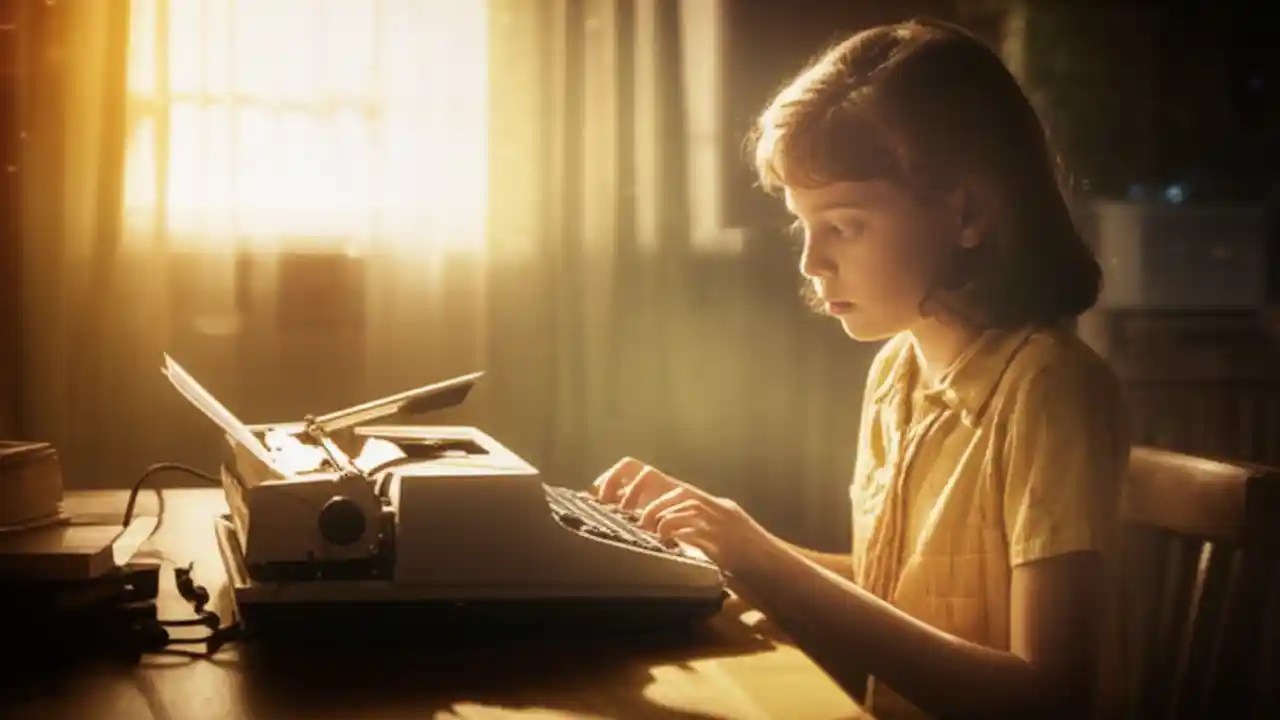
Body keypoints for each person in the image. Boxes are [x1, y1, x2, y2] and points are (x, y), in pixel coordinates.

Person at [591, 16, 1130, 720]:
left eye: (843, 226)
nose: (811, 262)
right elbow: (895, 596)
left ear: (967, 214)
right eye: (802, 225)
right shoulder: (896, 372)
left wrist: (759, 554)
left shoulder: (1051, 389)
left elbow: (1047, 696)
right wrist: (716, 548)